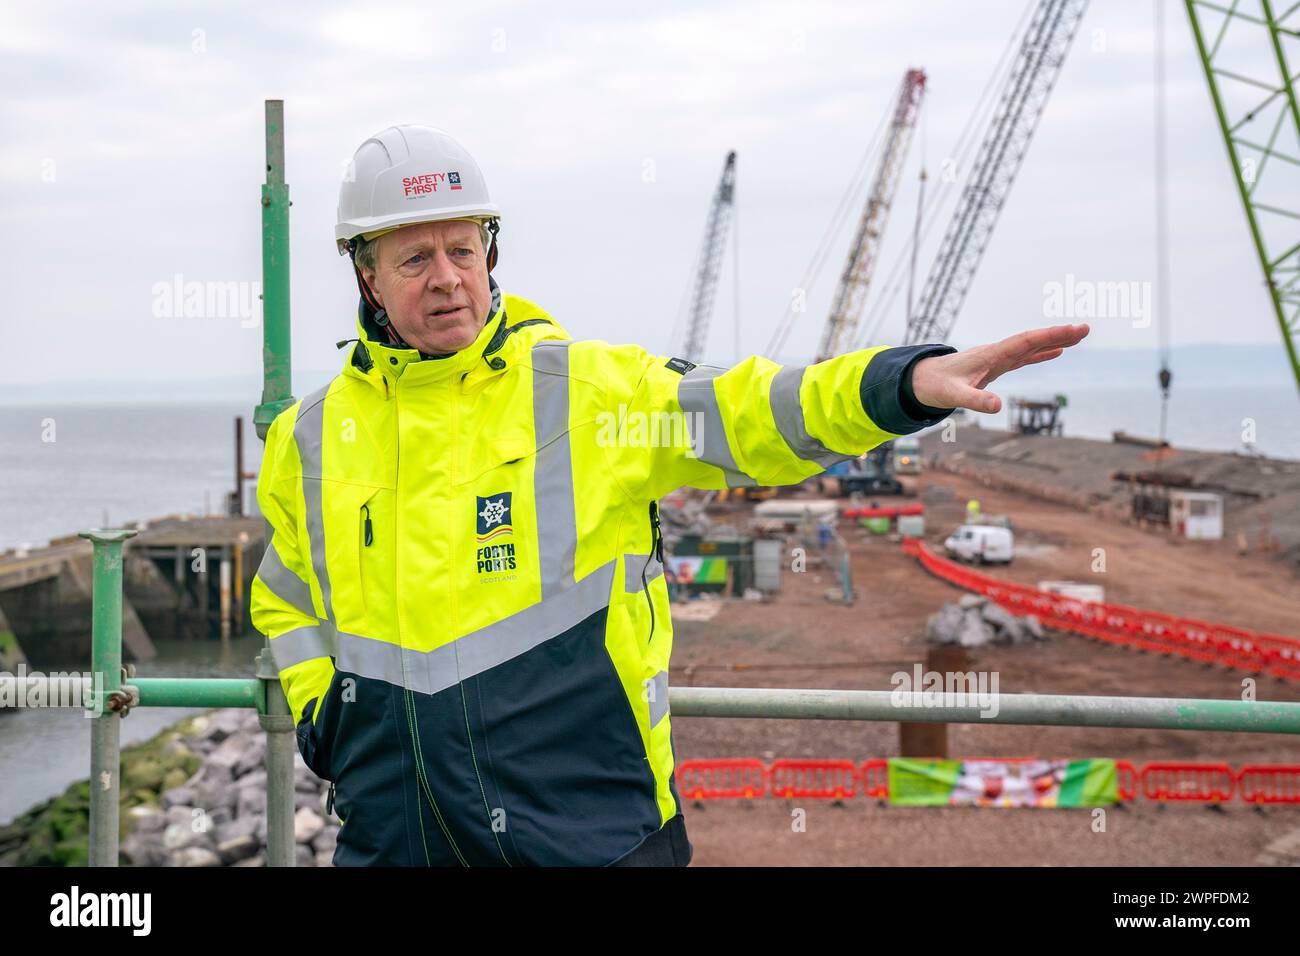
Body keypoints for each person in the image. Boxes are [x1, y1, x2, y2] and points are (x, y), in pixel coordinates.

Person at [250, 124, 1089, 867]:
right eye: (414, 258)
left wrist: (901, 384)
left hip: (591, 832)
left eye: (462, 250)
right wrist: (328, 716)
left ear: (490, 254)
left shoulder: (587, 394)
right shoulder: (311, 437)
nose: (446, 279)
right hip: (399, 838)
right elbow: (285, 599)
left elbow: (753, 412)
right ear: (367, 277)